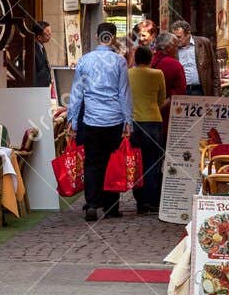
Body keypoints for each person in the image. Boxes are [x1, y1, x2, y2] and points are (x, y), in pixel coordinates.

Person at [66, 22, 133, 222]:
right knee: (113, 161)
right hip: (114, 118)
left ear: (97, 36)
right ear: (113, 37)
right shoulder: (120, 61)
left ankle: (92, 204)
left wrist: (72, 121)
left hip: (92, 119)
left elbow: (76, 93)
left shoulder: (84, 60)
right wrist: (128, 120)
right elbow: (124, 93)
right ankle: (111, 206)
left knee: (93, 163)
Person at [128, 46, 166, 212]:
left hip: (135, 121)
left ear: (135, 59)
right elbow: (162, 99)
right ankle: (151, 199)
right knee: (153, 161)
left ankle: (140, 200)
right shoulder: (158, 74)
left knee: (137, 161)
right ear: (151, 59)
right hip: (153, 120)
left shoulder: (128, 74)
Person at [171, 19, 219, 97]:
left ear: (188, 34)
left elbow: (214, 70)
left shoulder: (204, 43)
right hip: (182, 91)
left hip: (201, 90)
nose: (176, 40)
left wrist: (217, 94)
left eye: (179, 37)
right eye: (174, 37)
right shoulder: (172, 48)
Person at [152, 32, 187, 133]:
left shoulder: (148, 60)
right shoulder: (175, 65)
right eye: (176, 46)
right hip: (168, 115)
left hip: (145, 116)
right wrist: (160, 108)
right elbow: (179, 94)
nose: (177, 50)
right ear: (168, 48)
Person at [32, 21, 52, 89]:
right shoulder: (32, 49)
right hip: (38, 89)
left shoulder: (41, 47)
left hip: (44, 87)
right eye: (47, 34)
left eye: (50, 32)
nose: (50, 35)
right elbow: (34, 74)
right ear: (39, 37)